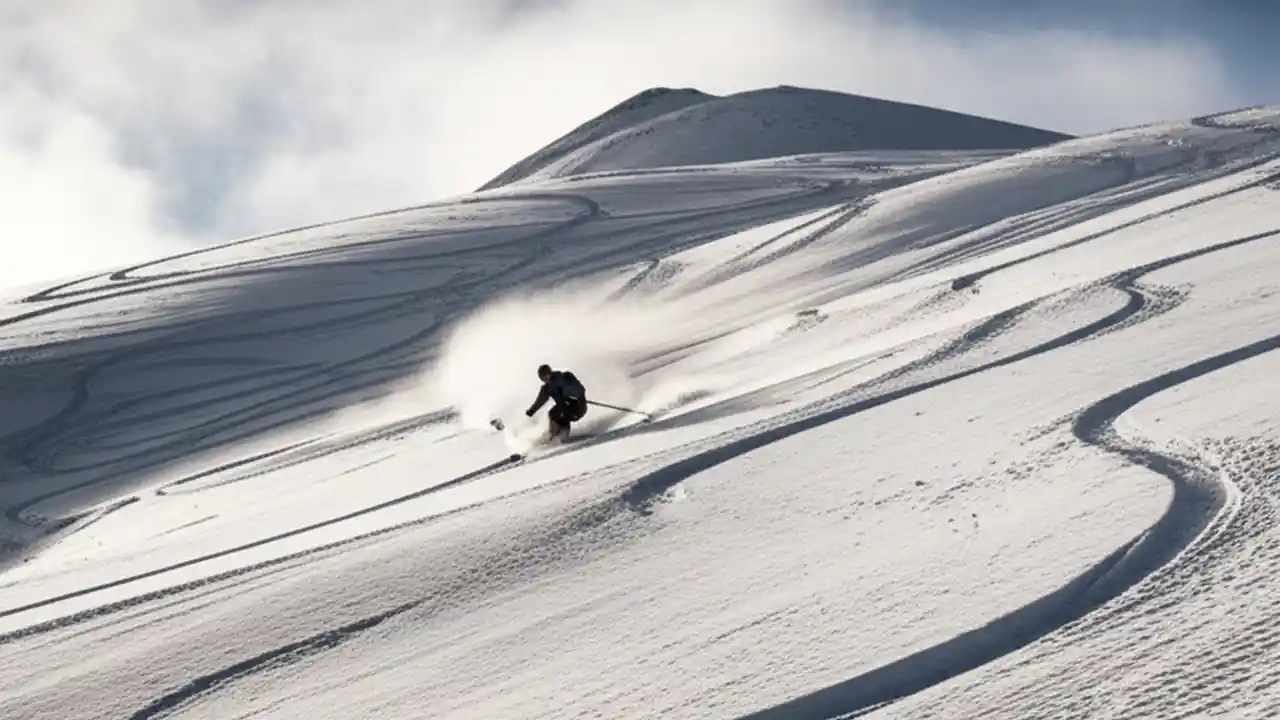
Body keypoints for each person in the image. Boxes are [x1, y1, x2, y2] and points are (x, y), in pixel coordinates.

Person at [526, 363, 587, 438]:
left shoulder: (565, 377)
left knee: (554, 413)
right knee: (555, 415)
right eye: (542, 378)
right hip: (565, 410)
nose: (544, 379)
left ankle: (557, 435)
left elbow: (581, 390)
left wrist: (568, 394)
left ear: (550, 373)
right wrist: (532, 410)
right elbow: (540, 401)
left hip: (577, 407)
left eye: (545, 376)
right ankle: (559, 435)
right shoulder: (547, 388)